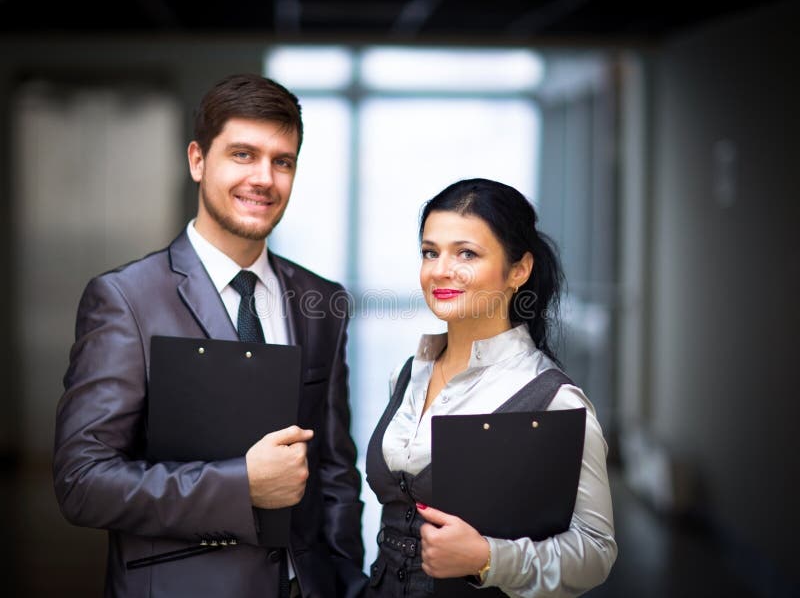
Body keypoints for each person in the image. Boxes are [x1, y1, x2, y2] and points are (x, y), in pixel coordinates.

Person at [53, 73, 368, 598]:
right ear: (198, 160)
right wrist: (241, 486)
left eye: (282, 160)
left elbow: (335, 469)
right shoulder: (127, 300)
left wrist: (346, 580)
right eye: (243, 154)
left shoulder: (322, 301)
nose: (264, 178)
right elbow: (82, 482)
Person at [365, 178, 617, 597]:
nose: (441, 269)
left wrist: (488, 557)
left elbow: (595, 550)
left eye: (467, 253)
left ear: (518, 270)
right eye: (431, 252)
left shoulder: (553, 400)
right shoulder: (408, 373)